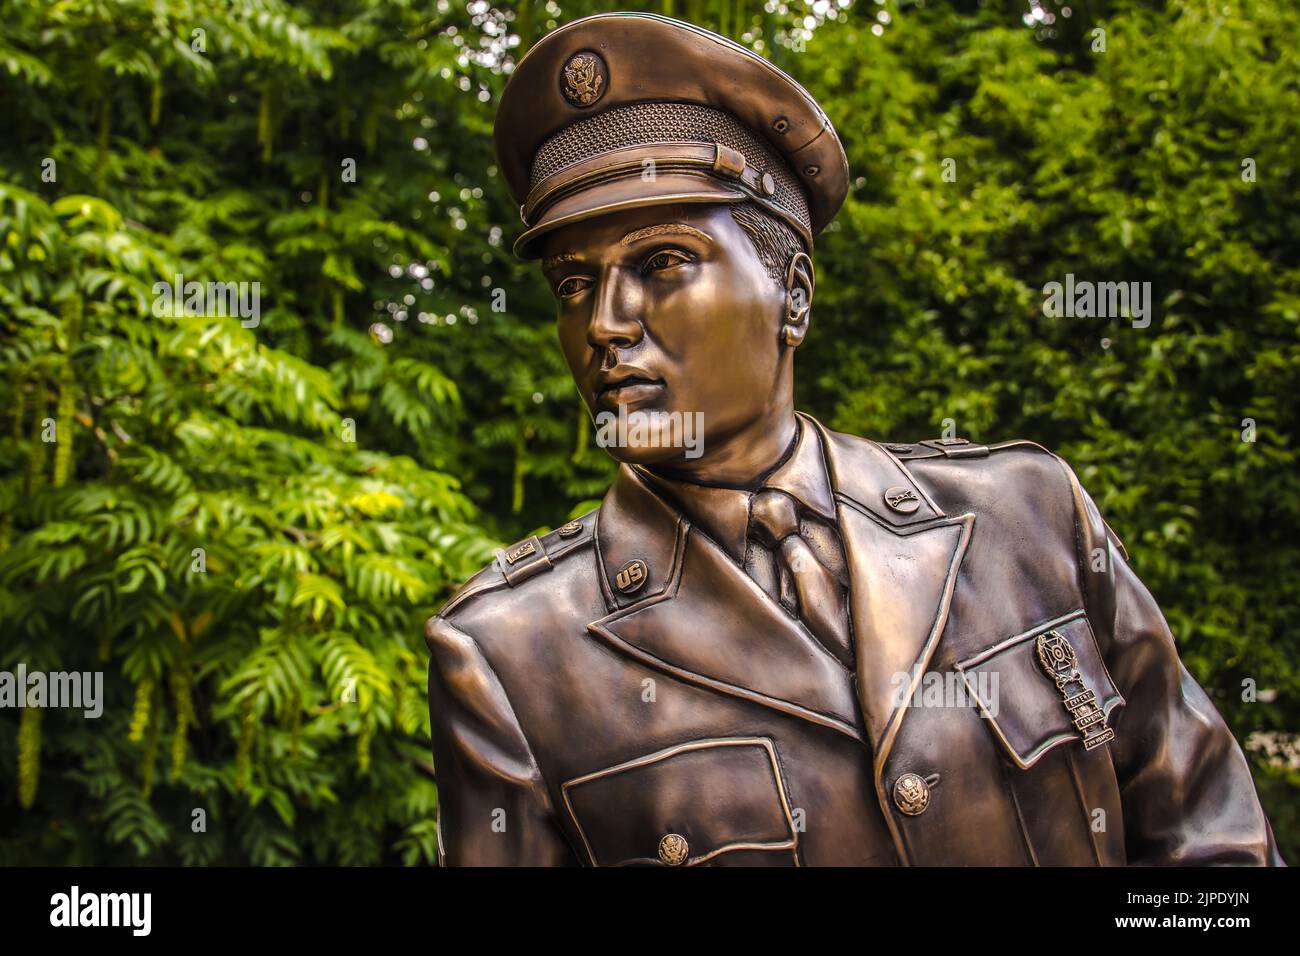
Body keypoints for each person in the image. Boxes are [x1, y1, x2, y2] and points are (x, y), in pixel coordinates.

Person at [424, 12, 1283, 866]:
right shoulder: (513, 654)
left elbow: (1214, 849)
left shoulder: (1027, 519)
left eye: (661, 265)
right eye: (573, 283)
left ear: (792, 295)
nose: (605, 324)